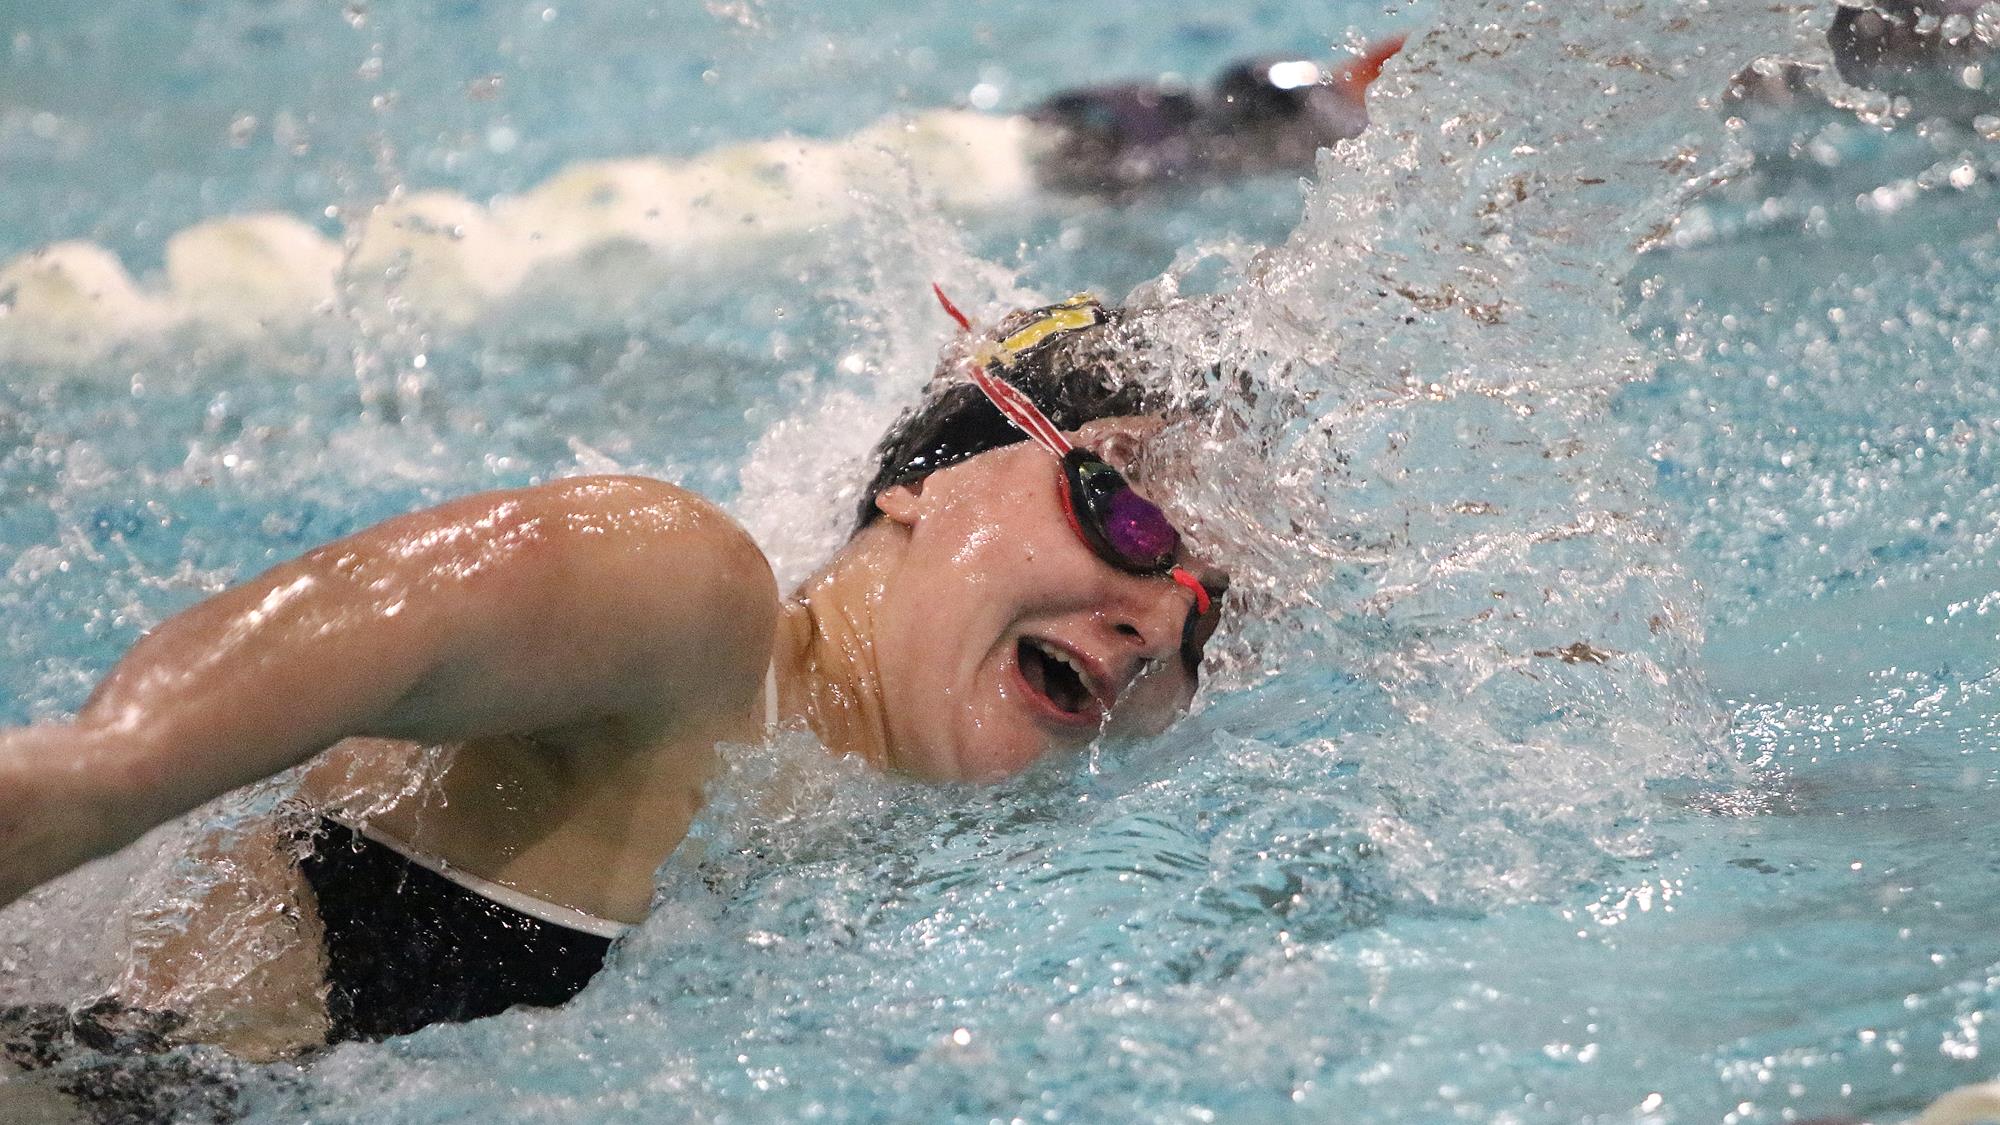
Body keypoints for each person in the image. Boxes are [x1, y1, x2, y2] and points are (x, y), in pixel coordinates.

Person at [0, 293, 1229, 1060]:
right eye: (1125, 510)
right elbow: (403, 605)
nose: (1152, 622)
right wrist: (108, 778)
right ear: (922, 478)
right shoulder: (691, 617)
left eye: (1211, 608)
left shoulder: (923, 852)